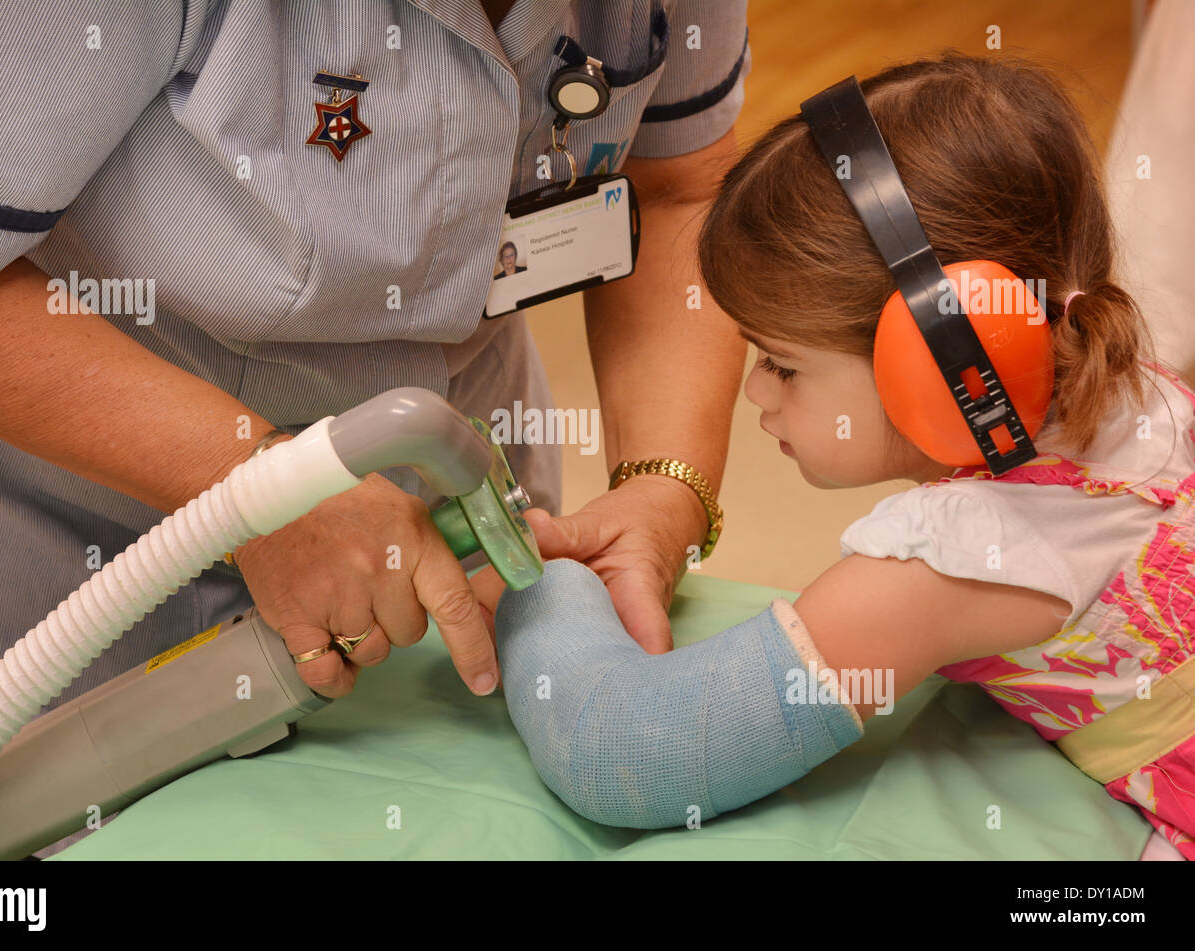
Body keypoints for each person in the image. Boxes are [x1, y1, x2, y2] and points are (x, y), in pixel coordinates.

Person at [0, 0, 751, 801]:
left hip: (456, 514)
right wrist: (259, 491)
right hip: (77, 547)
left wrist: (664, 483)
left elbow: (682, 187)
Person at [503, 52, 1195, 858]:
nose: (755, 394)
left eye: (782, 365)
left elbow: (623, 748)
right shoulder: (1137, 393)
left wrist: (532, 582)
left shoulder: (954, 561)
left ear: (944, 360)